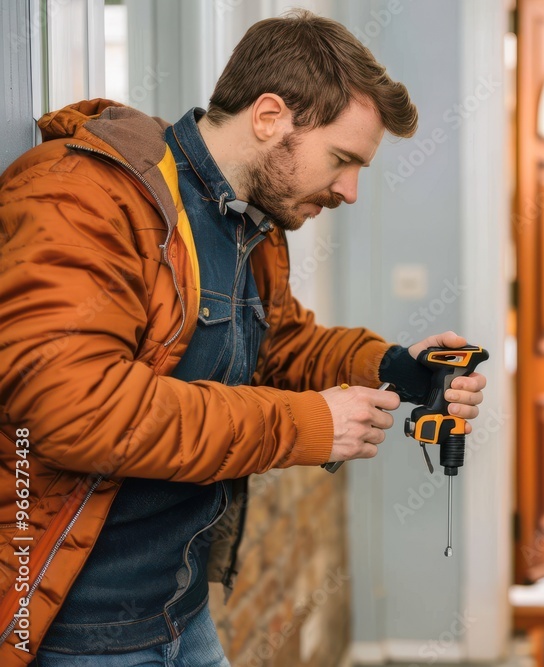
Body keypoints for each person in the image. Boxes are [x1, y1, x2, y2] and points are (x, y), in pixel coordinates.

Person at [0, 10, 486, 666]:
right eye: (342, 160)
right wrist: (306, 425)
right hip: (76, 636)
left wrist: (398, 367)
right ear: (268, 117)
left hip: (182, 619)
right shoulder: (82, 196)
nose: (349, 190)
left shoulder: (247, 222)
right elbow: (73, 410)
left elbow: (282, 345)